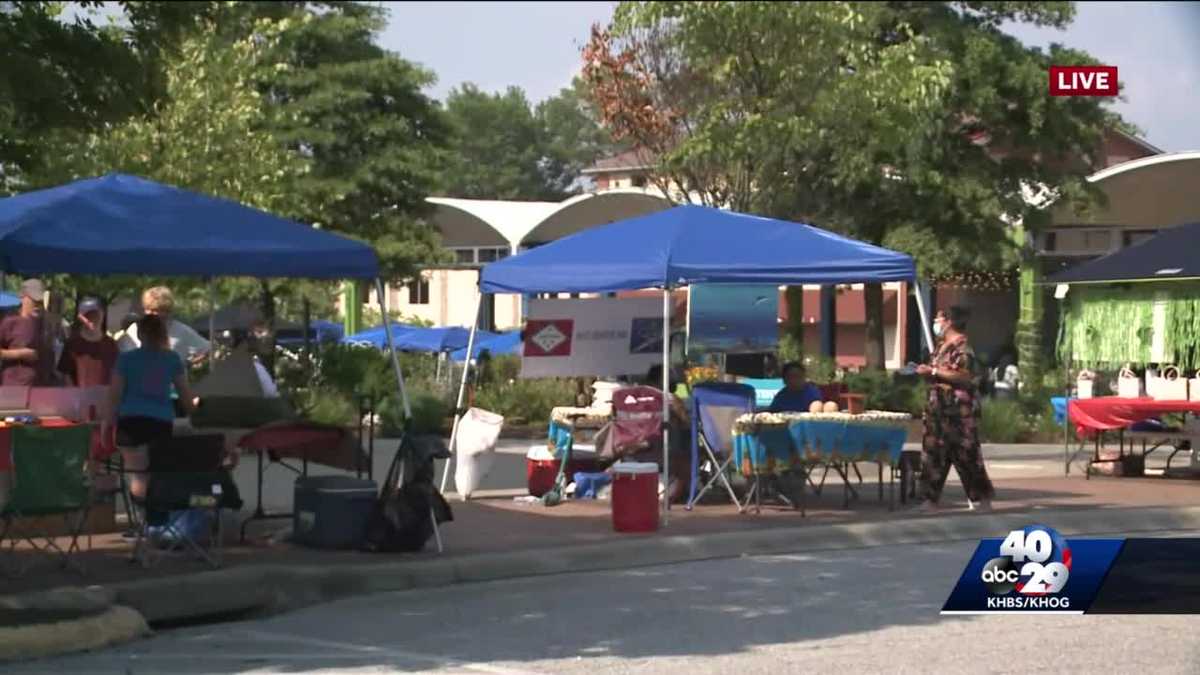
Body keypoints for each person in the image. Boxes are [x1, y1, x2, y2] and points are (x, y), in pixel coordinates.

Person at [103, 315, 199, 499]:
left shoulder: (126, 359)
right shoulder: (172, 359)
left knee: (138, 475)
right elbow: (186, 398)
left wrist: (107, 420)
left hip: (130, 422)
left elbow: (114, 394)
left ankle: (141, 519)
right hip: (160, 423)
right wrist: (196, 412)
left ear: (139, 334)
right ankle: (157, 517)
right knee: (158, 474)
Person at [915, 305, 994, 512]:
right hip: (937, 409)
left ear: (948, 321)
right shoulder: (941, 346)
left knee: (967, 454)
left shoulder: (962, 347)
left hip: (958, 412)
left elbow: (964, 375)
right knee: (933, 455)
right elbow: (937, 372)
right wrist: (928, 373)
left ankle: (980, 499)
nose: (936, 322)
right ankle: (929, 500)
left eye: (939, 318)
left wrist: (933, 372)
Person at [117, 286, 211, 365]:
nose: (154, 314)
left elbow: (208, 349)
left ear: (167, 310)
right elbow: (121, 356)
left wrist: (187, 365)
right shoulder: (135, 329)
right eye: (150, 309)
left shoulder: (182, 331)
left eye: (159, 310)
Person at [0, 278, 52, 386]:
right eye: (35, 300)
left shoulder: (43, 324)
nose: (38, 305)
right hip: (14, 388)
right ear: (23, 297)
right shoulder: (10, 322)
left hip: (39, 390)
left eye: (41, 301)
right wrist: (20, 354)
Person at [58, 298, 119, 387]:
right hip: (79, 398)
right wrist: (75, 395)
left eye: (96, 315)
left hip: (104, 397)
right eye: (88, 316)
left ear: (103, 315)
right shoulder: (72, 344)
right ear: (81, 318)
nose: (93, 319)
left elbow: (117, 375)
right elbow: (65, 375)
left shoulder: (111, 345)